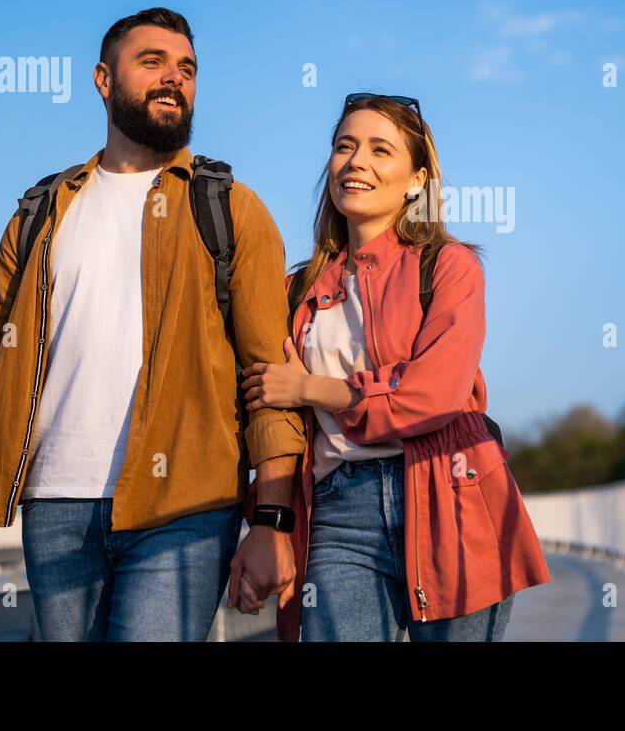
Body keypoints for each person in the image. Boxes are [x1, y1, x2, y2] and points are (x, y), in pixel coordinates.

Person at [0, 7, 303, 640]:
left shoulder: (229, 206)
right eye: (152, 62)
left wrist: (272, 521)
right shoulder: (41, 212)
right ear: (104, 79)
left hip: (186, 504)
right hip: (55, 505)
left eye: (186, 68)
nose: (173, 79)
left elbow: (271, 379)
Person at [230, 93, 550, 641]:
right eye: (344, 147)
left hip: (452, 499)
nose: (356, 162)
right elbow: (265, 412)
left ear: (415, 180)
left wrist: (312, 388)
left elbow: (434, 395)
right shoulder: (296, 292)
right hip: (337, 513)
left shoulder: (450, 267)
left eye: (381, 150)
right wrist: (264, 522)